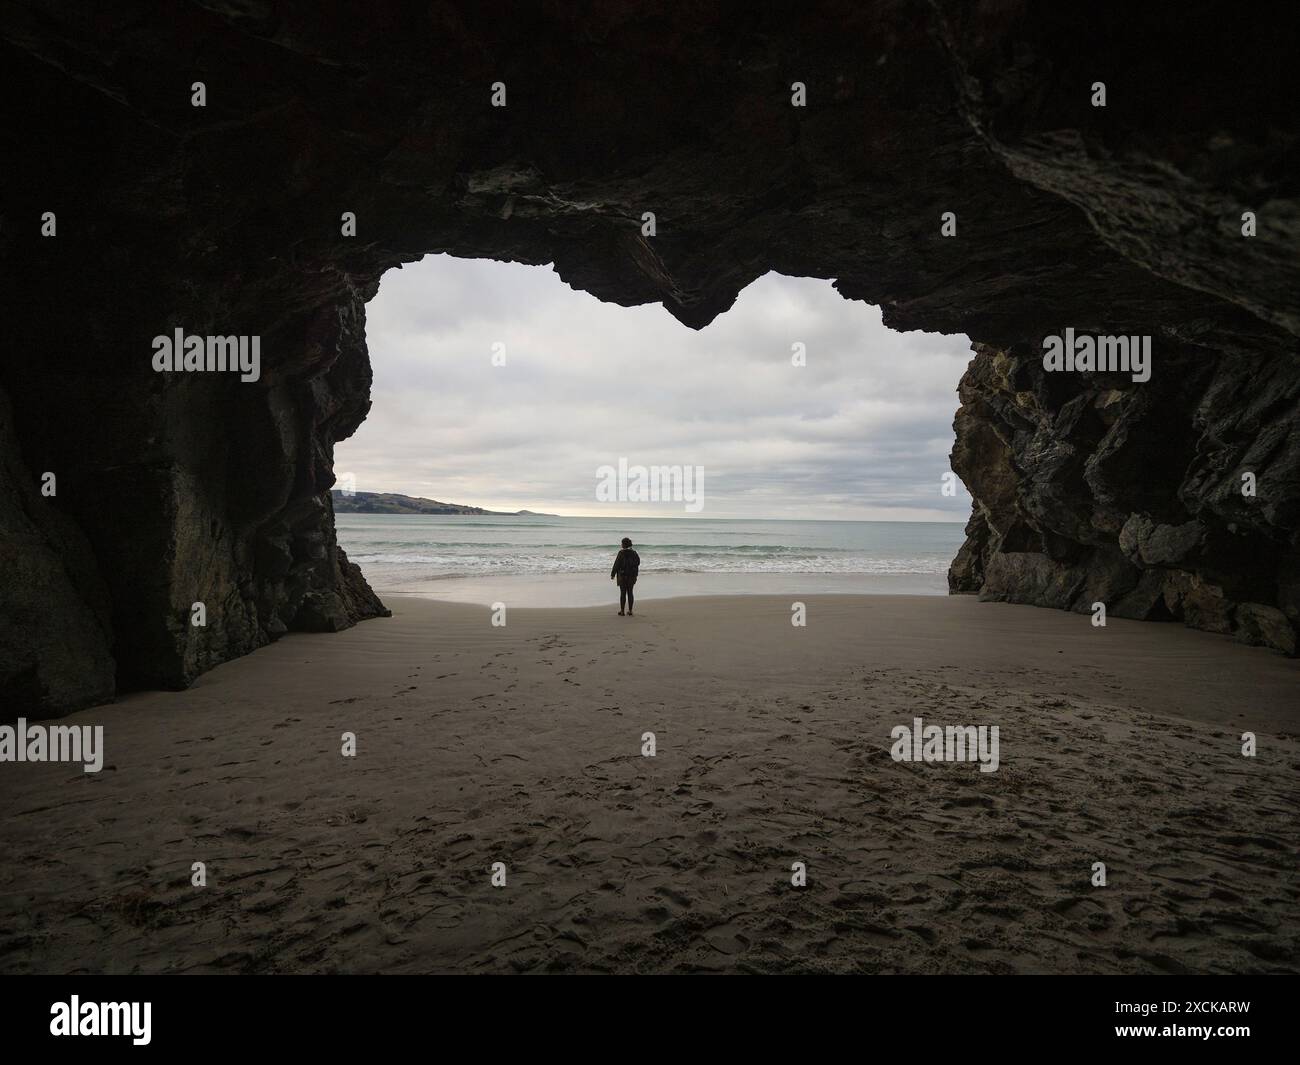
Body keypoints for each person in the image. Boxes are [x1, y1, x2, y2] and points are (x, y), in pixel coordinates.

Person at [610, 537, 640, 616]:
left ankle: (622, 611)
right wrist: (635, 574)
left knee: (623, 593)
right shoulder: (634, 553)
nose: (621, 545)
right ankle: (630, 611)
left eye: (622, 543)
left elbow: (616, 564)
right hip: (631, 576)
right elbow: (638, 563)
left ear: (624, 544)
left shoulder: (621, 553)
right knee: (630, 592)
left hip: (622, 576)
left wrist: (612, 574)